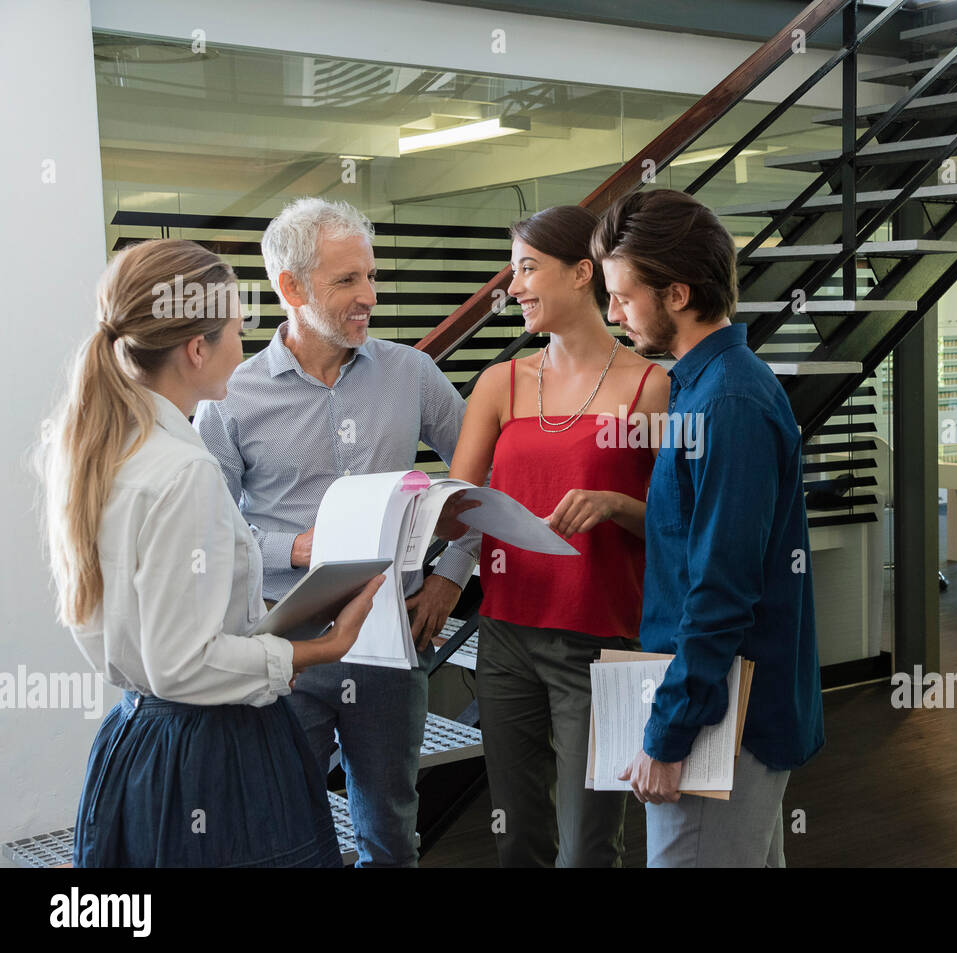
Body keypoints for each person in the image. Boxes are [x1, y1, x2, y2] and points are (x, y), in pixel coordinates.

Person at [38, 238, 384, 867]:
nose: (245, 347)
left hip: (138, 742)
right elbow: (182, 663)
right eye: (236, 331)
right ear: (197, 350)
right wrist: (320, 648)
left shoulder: (100, 449)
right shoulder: (181, 472)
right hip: (212, 755)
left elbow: (145, 643)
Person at [194, 197, 479, 867]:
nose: (368, 297)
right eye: (347, 280)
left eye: (371, 277)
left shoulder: (411, 373)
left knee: (391, 833)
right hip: (284, 647)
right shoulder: (232, 392)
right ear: (291, 287)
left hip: (390, 645)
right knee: (285, 830)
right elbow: (207, 521)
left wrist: (449, 575)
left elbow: (483, 477)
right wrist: (288, 547)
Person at [591, 188, 825, 868]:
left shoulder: (729, 399)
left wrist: (668, 734)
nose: (613, 315)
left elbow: (720, 588)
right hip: (716, 702)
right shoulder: (701, 385)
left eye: (624, 297)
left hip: (724, 718)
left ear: (678, 293)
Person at [442, 204, 669, 866]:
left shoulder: (651, 387)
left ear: (581, 273)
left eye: (526, 269)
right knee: (519, 839)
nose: (513, 288)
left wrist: (617, 504)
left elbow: (679, 529)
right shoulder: (499, 384)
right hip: (506, 636)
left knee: (588, 846)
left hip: (599, 645)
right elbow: (456, 510)